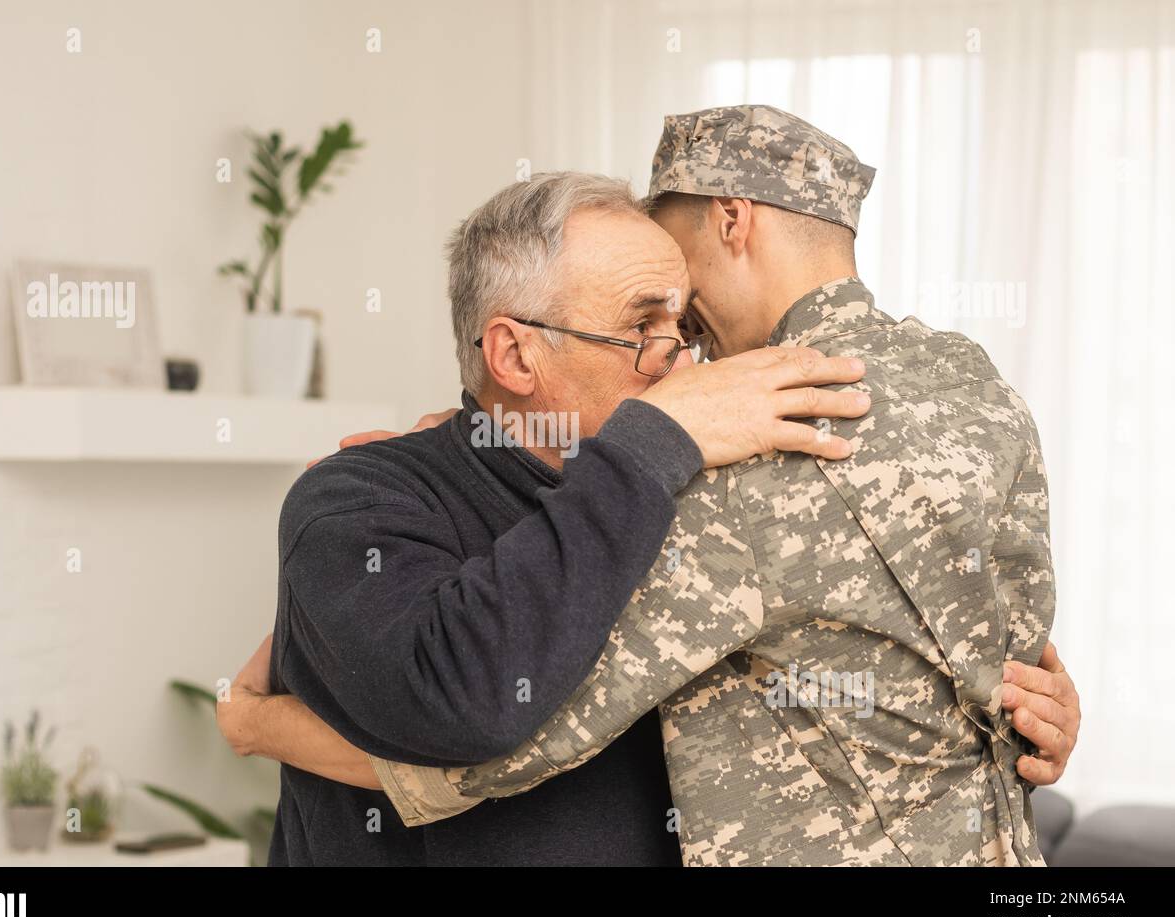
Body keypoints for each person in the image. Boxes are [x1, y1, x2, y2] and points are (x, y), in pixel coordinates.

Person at [361, 107, 1075, 866]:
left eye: (673, 244)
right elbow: (1012, 668)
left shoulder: (755, 444)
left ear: (731, 220)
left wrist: (264, 726)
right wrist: (488, 433)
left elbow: (507, 729)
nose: (673, 310)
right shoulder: (974, 382)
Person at [228, 171, 872, 865]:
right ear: (514, 355)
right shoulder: (355, 498)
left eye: (683, 328)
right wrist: (653, 441)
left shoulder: (696, 496)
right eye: (642, 326)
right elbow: (464, 700)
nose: (684, 367)